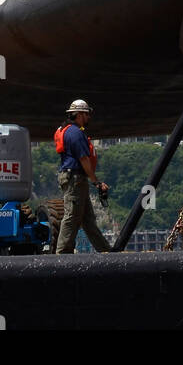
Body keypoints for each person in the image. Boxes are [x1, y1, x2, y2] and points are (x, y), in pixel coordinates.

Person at [54, 99, 110, 254]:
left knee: (87, 220)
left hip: (74, 178)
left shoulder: (66, 130)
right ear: (79, 115)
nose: (88, 118)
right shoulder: (76, 133)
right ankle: (62, 253)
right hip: (75, 179)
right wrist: (96, 182)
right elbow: (84, 159)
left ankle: (105, 251)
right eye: (86, 114)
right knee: (72, 216)